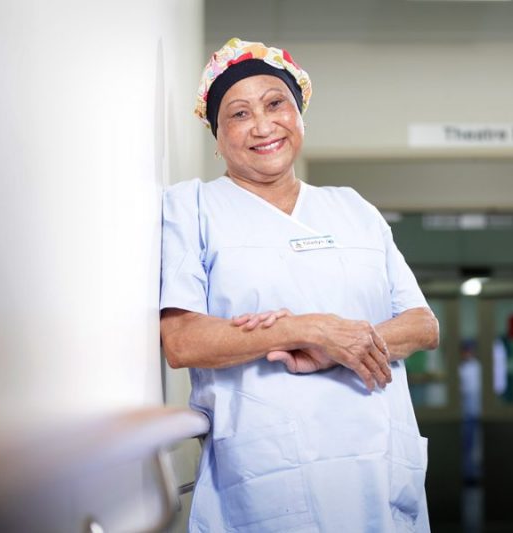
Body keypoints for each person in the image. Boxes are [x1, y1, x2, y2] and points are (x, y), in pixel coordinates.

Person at [159, 38, 439, 533]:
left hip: (376, 464)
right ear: (217, 135)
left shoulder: (352, 207)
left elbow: (422, 325)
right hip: (265, 471)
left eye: (275, 104)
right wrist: (305, 330)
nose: (263, 126)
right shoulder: (194, 208)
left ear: (300, 114)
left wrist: (338, 347)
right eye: (239, 114)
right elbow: (182, 341)